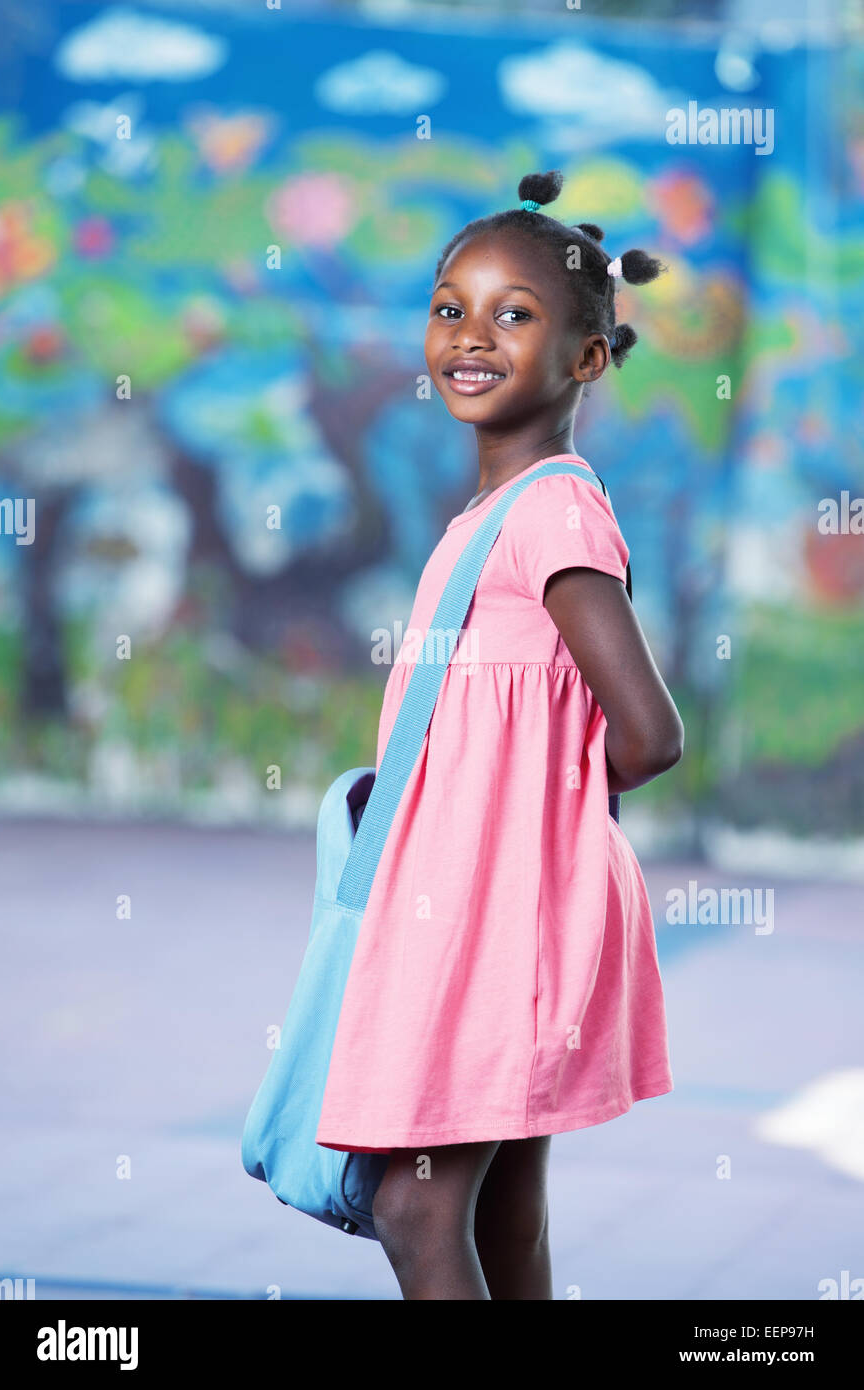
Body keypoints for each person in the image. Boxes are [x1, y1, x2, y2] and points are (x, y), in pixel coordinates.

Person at [315, 170, 684, 1300]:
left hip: (504, 906)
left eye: (513, 314)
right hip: (475, 896)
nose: (470, 336)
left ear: (585, 360)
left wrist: (534, 808)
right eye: (449, 308)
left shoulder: (552, 512)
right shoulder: (489, 515)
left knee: (417, 1202)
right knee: (502, 1212)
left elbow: (647, 731)